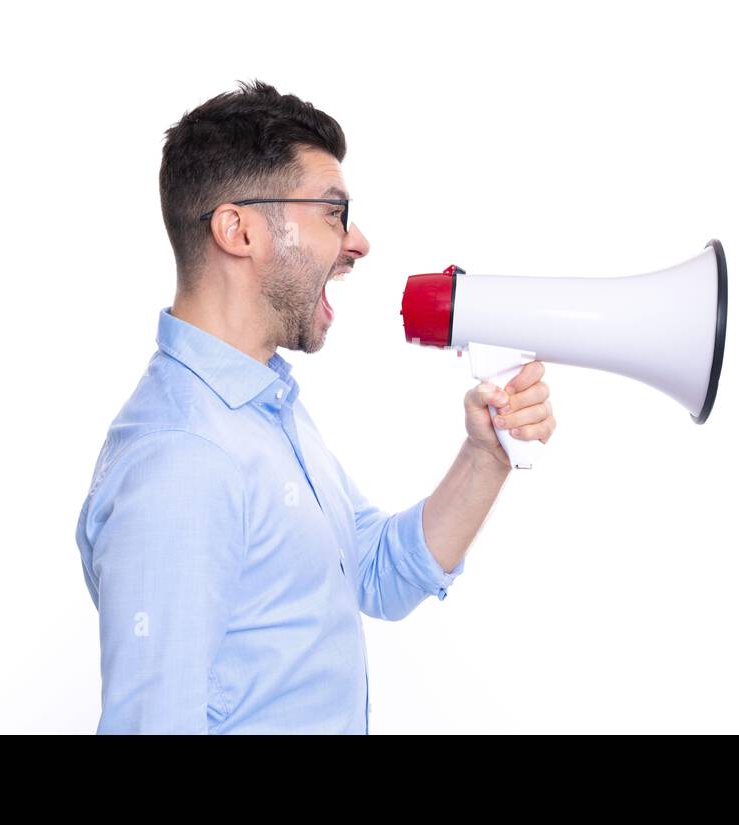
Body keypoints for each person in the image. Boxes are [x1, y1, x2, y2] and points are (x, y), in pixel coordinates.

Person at [75, 80, 556, 733]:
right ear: (238, 229)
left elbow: (379, 572)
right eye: (333, 212)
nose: (358, 242)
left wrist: (486, 454)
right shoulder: (183, 458)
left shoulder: (261, 409)